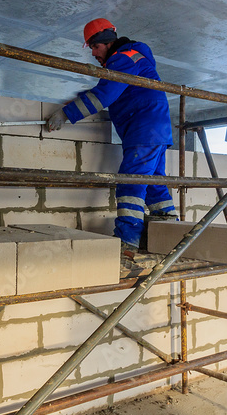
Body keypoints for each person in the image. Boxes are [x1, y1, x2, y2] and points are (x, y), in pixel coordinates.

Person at [45, 18, 177, 251]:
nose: (94, 54)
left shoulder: (122, 58)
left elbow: (104, 95)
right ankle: (169, 231)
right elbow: (110, 91)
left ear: (105, 42)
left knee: (130, 183)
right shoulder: (132, 57)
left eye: (95, 47)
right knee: (155, 183)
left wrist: (67, 113)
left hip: (143, 130)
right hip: (155, 130)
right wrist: (80, 98)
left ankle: (127, 241)